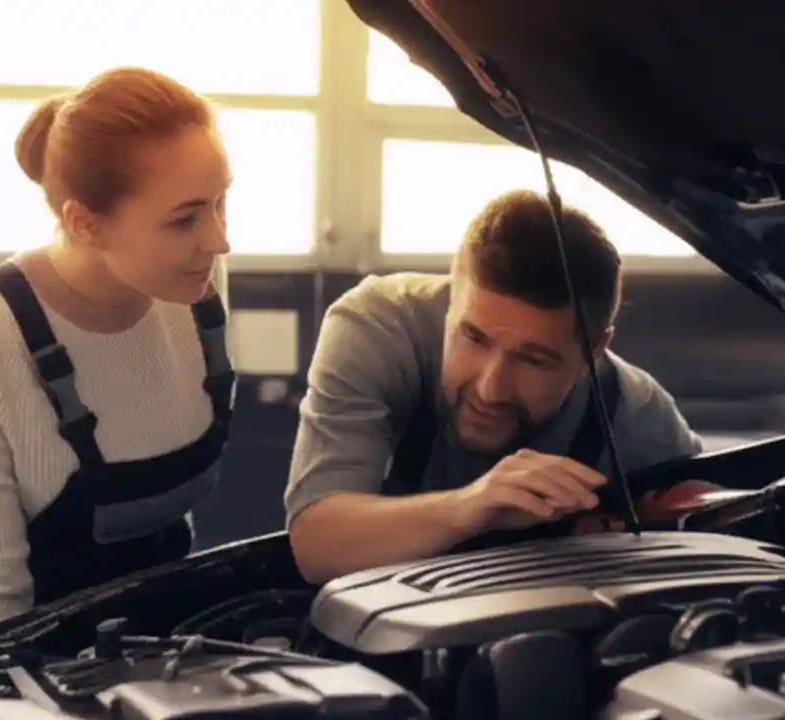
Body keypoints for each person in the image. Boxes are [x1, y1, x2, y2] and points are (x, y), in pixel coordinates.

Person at [0, 67, 236, 660]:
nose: (219, 239)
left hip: (132, 633)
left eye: (222, 203)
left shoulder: (197, 285)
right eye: (185, 219)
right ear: (84, 223)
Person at [284, 189, 704, 584]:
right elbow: (317, 545)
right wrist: (471, 508)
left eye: (533, 359)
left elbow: (716, 527)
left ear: (595, 350)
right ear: (451, 298)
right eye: (474, 338)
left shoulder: (632, 409)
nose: (491, 389)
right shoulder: (378, 328)